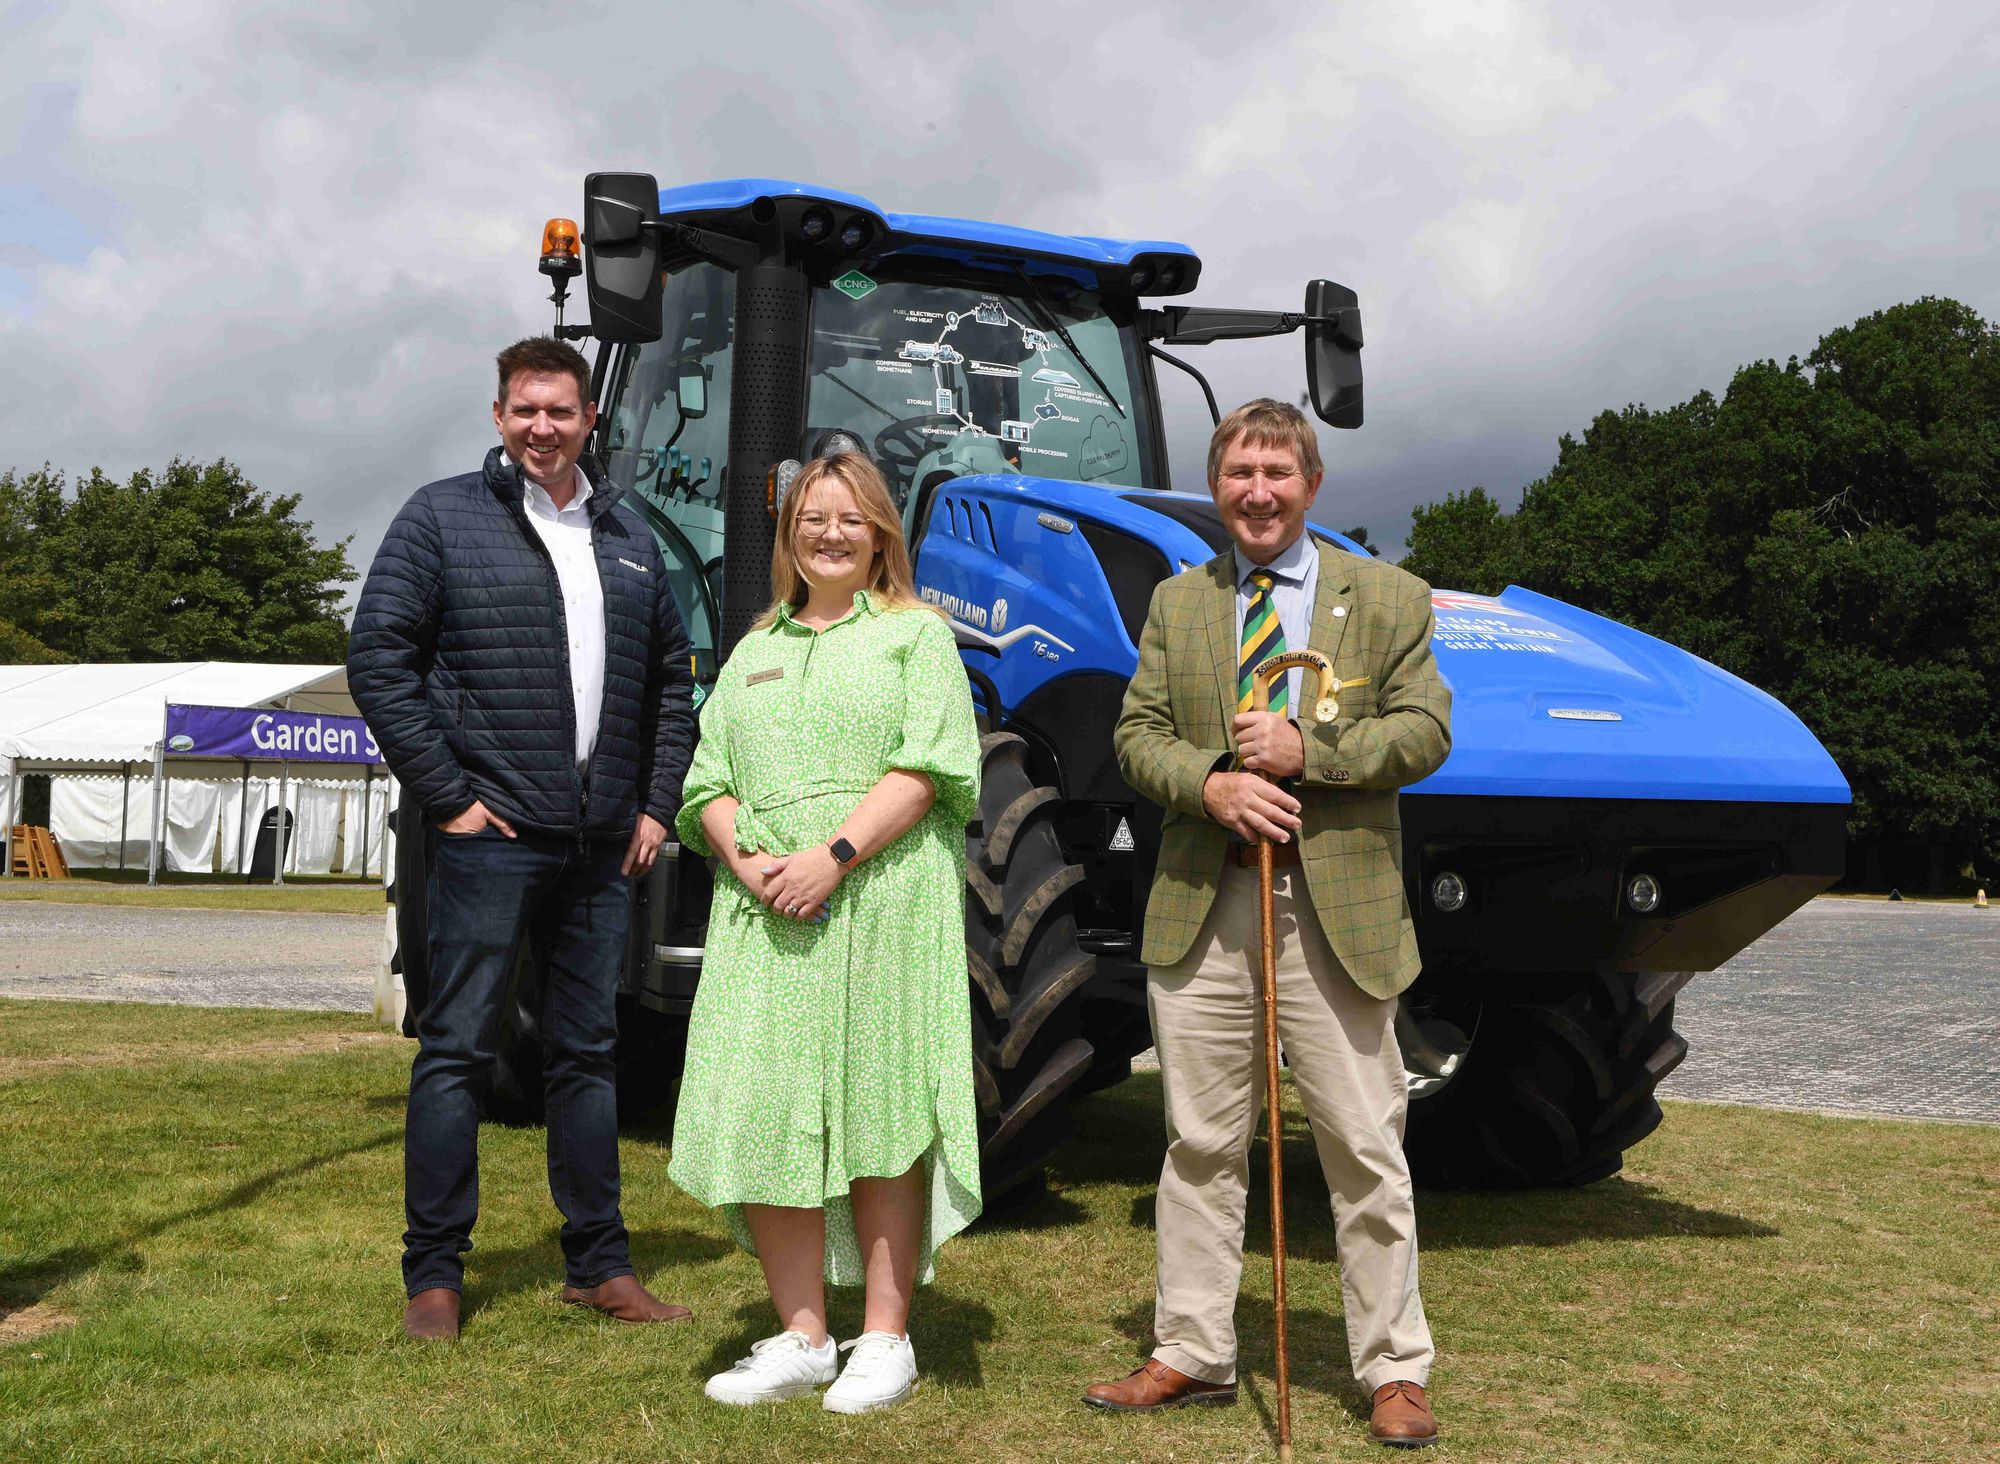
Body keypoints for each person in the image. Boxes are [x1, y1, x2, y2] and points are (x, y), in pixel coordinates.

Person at [1088, 399, 1453, 1448]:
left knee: (1361, 1143)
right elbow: (1135, 736)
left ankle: (1392, 1367)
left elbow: (1425, 730)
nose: (1256, 492)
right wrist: (1210, 787)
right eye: (1239, 472)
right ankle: (1192, 1351)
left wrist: (1311, 755)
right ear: (1216, 485)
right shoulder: (1178, 602)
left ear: (1310, 485)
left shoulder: (1386, 596)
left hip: (1335, 905)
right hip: (1205, 902)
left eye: (1275, 473)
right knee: (1198, 1141)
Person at [348, 337, 696, 1342]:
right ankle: (435, 1278)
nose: (542, 427)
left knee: (587, 1055)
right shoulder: (442, 516)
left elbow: (669, 686)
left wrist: (653, 804)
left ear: (592, 419)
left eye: (560, 410)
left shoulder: (628, 534)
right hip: (489, 835)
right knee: (456, 1049)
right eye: (524, 410)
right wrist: (448, 795)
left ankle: (599, 1266)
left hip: (600, 846)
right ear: (498, 417)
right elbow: (379, 656)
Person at [668, 452, 983, 1414]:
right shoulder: (755, 646)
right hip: (765, 911)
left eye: (850, 518)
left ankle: (884, 1338)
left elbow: (928, 767)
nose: (830, 533)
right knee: (768, 1105)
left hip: (880, 900)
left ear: (881, 532)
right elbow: (706, 780)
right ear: (789, 534)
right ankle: (803, 1334)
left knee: (880, 1104)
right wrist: (746, 858)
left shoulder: (915, 639)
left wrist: (831, 856)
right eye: (812, 518)